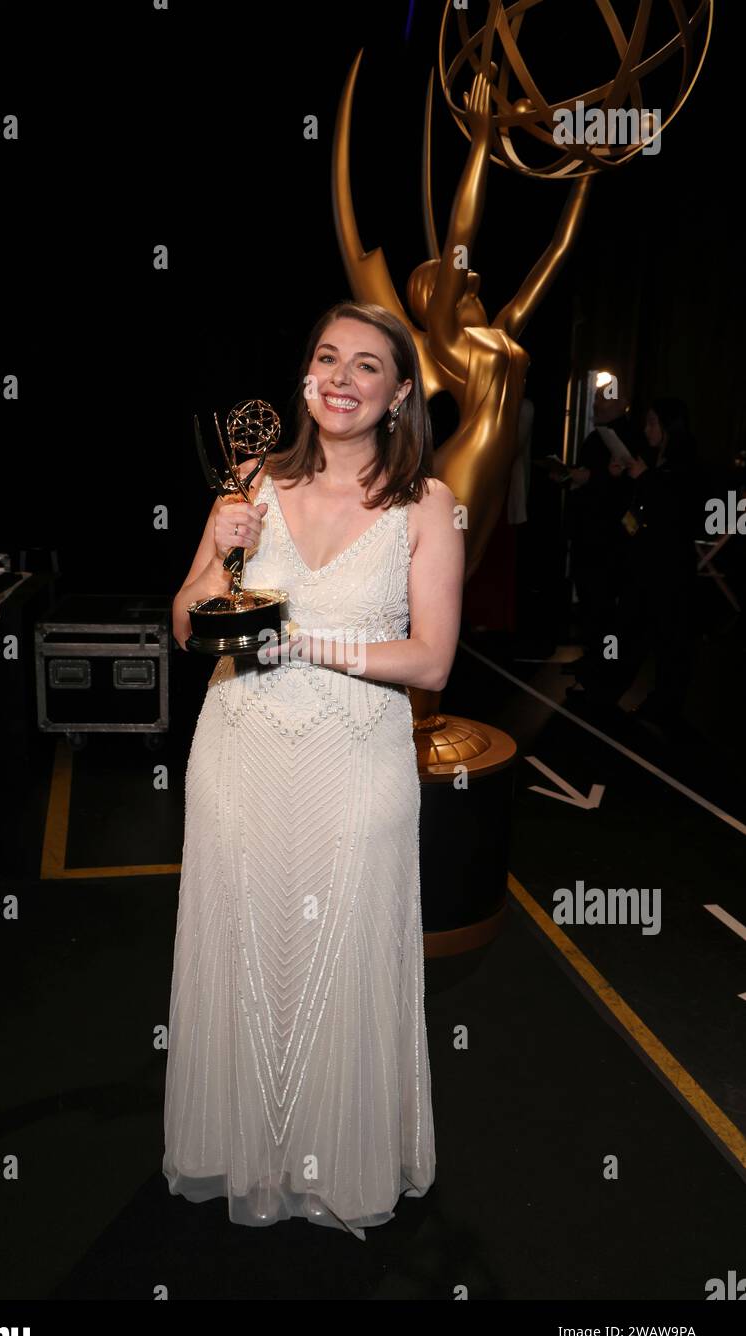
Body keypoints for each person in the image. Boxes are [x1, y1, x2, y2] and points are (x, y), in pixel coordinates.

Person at [163, 302, 464, 1239]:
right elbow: (186, 624)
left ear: (399, 393)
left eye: (366, 366)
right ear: (304, 380)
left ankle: (336, 1159)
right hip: (239, 751)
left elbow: (431, 662)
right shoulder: (250, 481)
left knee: (343, 957)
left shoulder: (427, 504)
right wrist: (218, 549)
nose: (340, 377)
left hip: (356, 764)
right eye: (326, 359)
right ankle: (248, 1151)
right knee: (245, 951)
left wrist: (307, 644)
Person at [601, 397, 701, 728]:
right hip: (648, 567)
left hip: (670, 571)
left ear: (670, 426)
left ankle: (662, 707)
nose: (647, 429)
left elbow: (677, 511)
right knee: (632, 630)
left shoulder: (686, 463)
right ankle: (605, 690)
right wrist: (626, 476)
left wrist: (644, 478)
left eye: (653, 422)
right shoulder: (659, 460)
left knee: (668, 642)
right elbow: (643, 507)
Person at [564, 385, 640, 697]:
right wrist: (572, 476)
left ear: (622, 404)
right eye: (595, 397)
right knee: (591, 604)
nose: (596, 402)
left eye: (603, 398)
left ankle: (601, 669)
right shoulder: (597, 436)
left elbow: (626, 491)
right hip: (588, 533)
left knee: (603, 607)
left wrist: (596, 478)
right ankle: (593, 659)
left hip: (609, 539)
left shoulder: (627, 438)